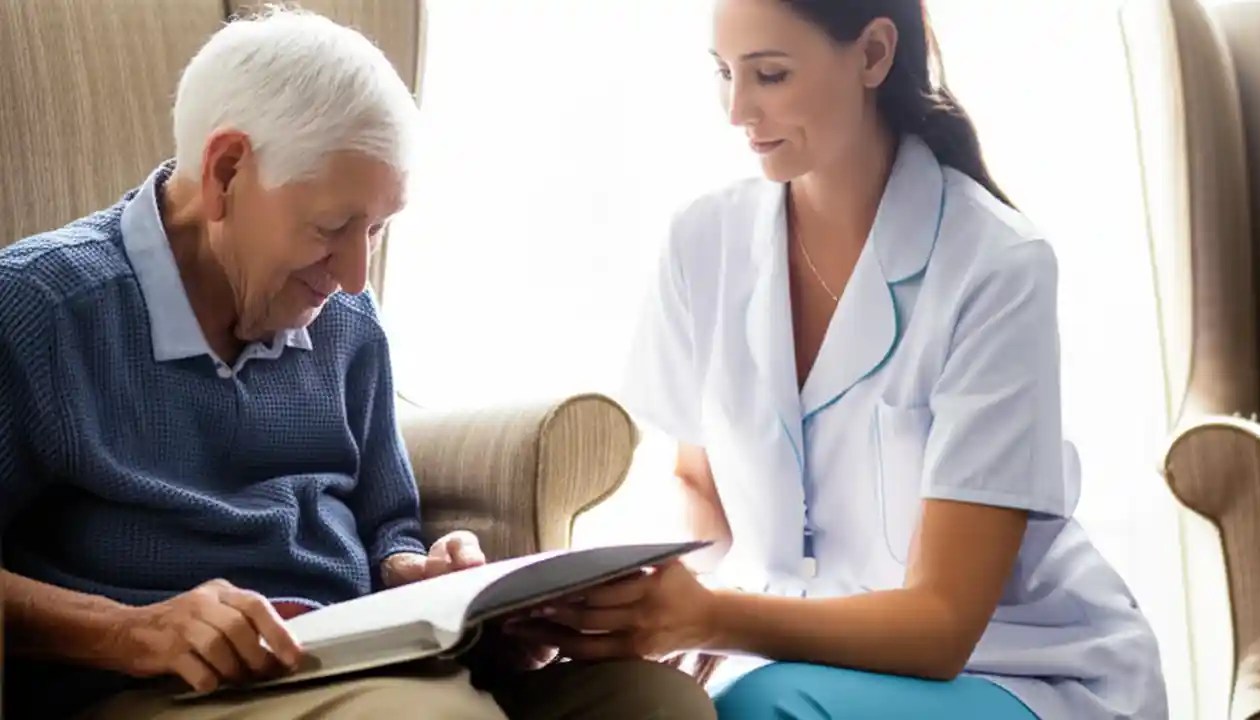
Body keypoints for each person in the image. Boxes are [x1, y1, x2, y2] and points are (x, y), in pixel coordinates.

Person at [0, 9, 713, 720]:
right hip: (157, 689)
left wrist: (425, 578)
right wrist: (130, 633)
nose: (353, 277)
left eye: (376, 229)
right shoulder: (42, 308)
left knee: (655, 702)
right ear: (225, 172)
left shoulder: (345, 324)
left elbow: (387, 527)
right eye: (334, 228)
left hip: (356, 665)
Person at [504, 1, 1169, 718]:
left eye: (770, 74)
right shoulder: (703, 243)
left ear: (875, 55)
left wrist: (709, 616)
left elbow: (942, 626)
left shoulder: (997, 265)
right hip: (798, 657)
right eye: (724, 74)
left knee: (763, 708)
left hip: (1015, 674)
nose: (737, 111)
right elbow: (699, 483)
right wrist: (646, 610)